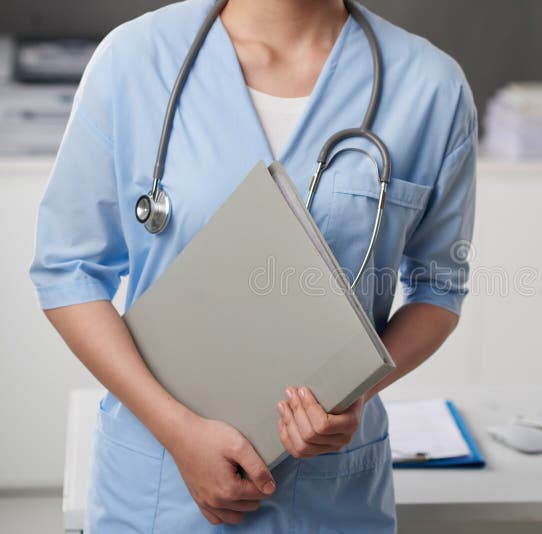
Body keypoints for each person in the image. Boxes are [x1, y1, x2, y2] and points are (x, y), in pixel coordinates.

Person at [30, 0, 476, 531]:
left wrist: (353, 394)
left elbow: (439, 289)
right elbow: (69, 271)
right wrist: (176, 430)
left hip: (330, 496)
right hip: (159, 488)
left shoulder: (430, 88)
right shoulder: (134, 60)